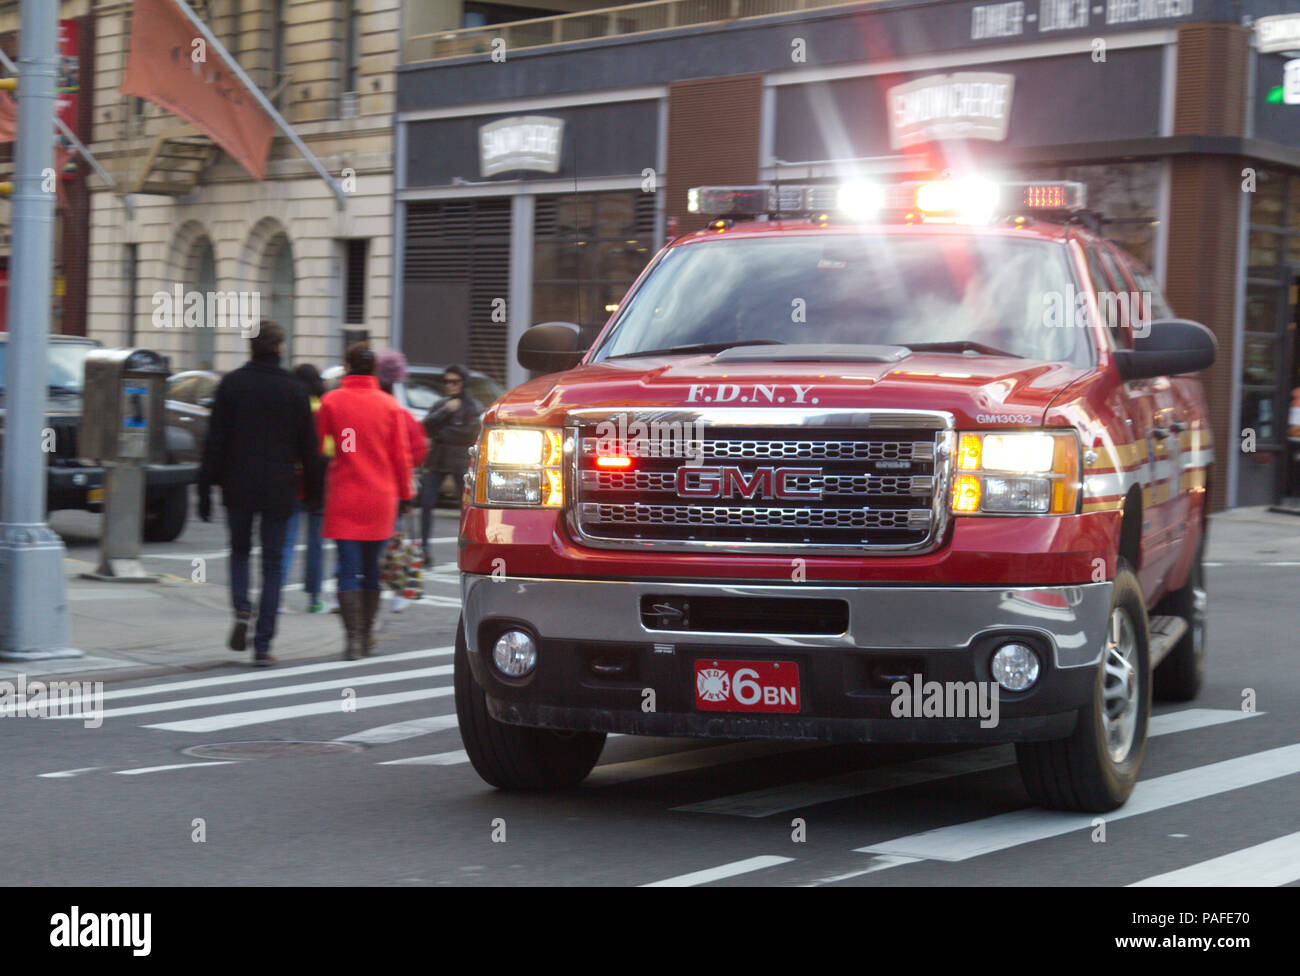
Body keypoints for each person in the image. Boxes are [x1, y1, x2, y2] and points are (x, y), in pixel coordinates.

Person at [197, 321, 323, 667]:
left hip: (237, 484)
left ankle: (241, 608)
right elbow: (309, 448)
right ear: (280, 348)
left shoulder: (231, 384)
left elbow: (215, 441)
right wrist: (315, 493)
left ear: (250, 348)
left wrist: (205, 487)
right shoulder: (295, 390)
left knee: (239, 551)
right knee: (272, 564)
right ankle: (263, 643)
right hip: (278, 487)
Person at [316, 342, 414, 659]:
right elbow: (401, 456)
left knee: (347, 568)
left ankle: (353, 640)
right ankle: (368, 632)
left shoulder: (331, 401)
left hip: (345, 495)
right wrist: (407, 495)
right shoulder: (389, 405)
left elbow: (317, 446)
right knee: (372, 569)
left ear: (346, 367)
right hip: (380, 497)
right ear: (374, 370)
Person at [377, 350, 429, 613]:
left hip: (359, 488)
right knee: (392, 541)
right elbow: (416, 453)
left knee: (356, 548)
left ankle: (350, 592)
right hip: (393, 491)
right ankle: (398, 592)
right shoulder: (401, 415)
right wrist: (407, 494)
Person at [281, 364, 330, 613]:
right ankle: (314, 598)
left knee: (286, 542)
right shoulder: (324, 408)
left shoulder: (288, 408)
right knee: (316, 544)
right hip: (319, 483)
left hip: (291, 481)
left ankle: (277, 595)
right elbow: (336, 445)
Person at [420, 364, 481, 565]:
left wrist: (441, 433)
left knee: (466, 507)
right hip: (437, 460)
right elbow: (426, 427)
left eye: (454, 382)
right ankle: (424, 549)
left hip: (459, 461)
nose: (450, 385)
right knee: (426, 503)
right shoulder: (442, 405)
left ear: (463, 383)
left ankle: (469, 550)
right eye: (446, 382)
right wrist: (445, 412)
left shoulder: (472, 407)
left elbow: (469, 434)